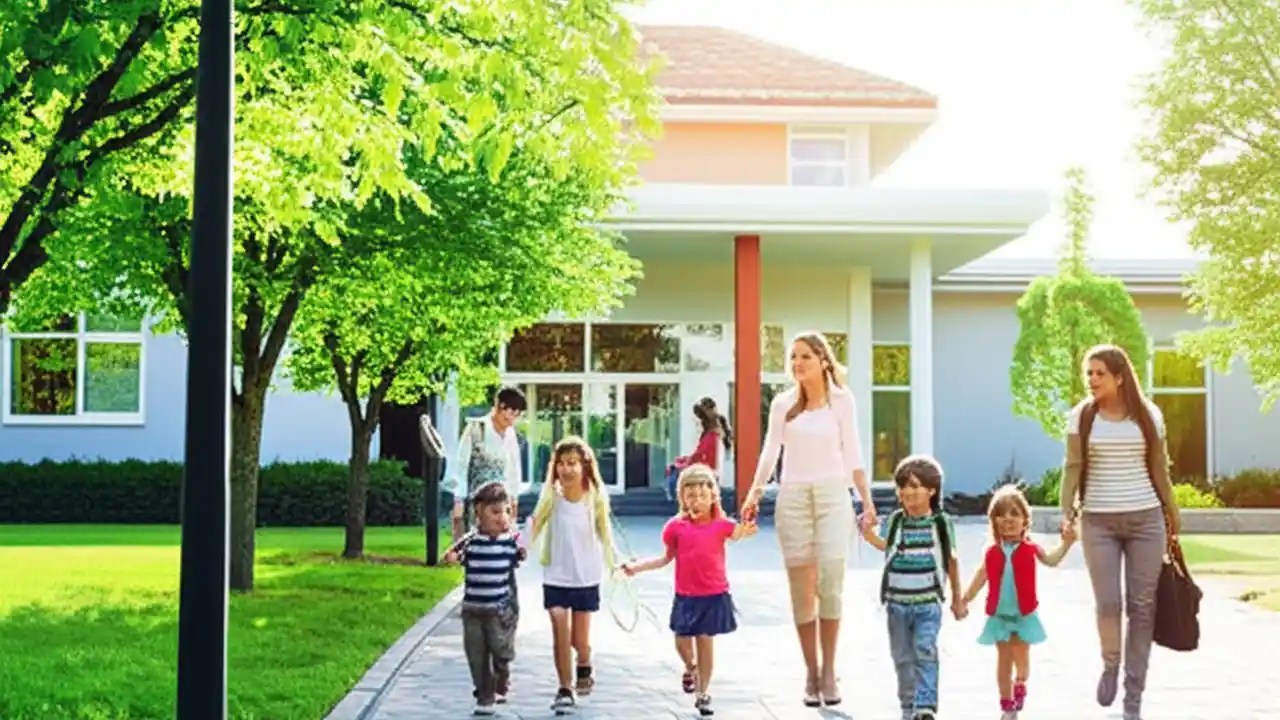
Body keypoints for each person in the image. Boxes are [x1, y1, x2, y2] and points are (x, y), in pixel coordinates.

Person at [739, 331, 876, 707]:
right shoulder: (783, 404)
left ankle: (830, 670)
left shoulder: (841, 401)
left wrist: (866, 501)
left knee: (829, 584)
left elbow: (854, 453)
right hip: (793, 499)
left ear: (824, 361)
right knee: (802, 590)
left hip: (833, 497)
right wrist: (754, 492)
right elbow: (770, 452)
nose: (797, 364)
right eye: (793, 357)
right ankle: (811, 671)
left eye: (805, 357)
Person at [1060, 344, 1180, 720]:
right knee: (1109, 603)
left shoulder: (1148, 415)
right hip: (1098, 521)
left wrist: (1172, 512)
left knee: (1143, 608)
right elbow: (1072, 467)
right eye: (1088, 373)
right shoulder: (1081, 418)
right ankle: (1110, 664)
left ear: (1119, 377)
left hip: (1146, 519)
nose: (1092, 380)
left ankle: (1134, 694)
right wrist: (1067, 512)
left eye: (1099, 373)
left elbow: (1159, 469)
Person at [622, 463, 758, 717]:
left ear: (712, 497)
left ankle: (703, 693)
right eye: (690, 495)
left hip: (714, 594)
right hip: (686, 596)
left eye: (702, 495)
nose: (696, 501)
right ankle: (690, 666)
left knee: (705, 640)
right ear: (682, 497)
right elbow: (665, 558)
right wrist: (636, 567)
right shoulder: (675, 527)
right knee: (682, 640)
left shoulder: (721, 525)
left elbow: (741, 531)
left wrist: (749, 520)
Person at [960, 485, 1076, 720]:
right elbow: (980, 578)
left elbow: (1051, 560)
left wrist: (1067, 543)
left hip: (1024, 616)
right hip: (1000, 616)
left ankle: (1020, 682)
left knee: (1021, 658)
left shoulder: (1030, 548)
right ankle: (1006, 704)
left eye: (1015, 513)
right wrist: (964, 599)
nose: (1008, 519)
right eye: (1002, 514)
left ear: (1025, 521)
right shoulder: (992, 552)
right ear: (994, 521)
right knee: (1003, 660)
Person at [861, 455, 963, 720]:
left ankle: (925, 705)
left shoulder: (939, 523)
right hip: (897, 603)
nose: (907, 492)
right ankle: (909, 706)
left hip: (928, 602)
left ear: (931, 490)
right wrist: (869, 534)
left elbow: (952, 560)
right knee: (902, 657)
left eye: (914, 486)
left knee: (925, 650)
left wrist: (958, 598)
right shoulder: (896, 521)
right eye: (902, 486)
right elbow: (887, 546)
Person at [528, 436, 617, 715]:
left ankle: (585, 659)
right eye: (561, 464)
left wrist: (616, 564)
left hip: (586, 576)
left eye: (573, 464)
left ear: (584, 466)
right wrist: (516, 548)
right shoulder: (551, 497)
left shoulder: (595, 498)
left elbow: (606, 534)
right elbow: (535, 524)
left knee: (578, 640)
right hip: (556, 574)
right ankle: (564, 688)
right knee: (559, 630)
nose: (566, 470)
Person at [442, 481, 526, 716]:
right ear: (479, 512)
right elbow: (451, 554)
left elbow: (524, 552)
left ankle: (502, 674)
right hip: (472, 610)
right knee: (476, 654)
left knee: (501, 651)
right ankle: (485, 695)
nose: (502, 517)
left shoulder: (510, 543)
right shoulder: (470, 541)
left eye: (506, 511)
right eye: (495, 512)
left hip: (498, 611)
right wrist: (450, 557)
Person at [444, 386, 527, 617]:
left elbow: (513, 470)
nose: (511, 418)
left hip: (502, 502)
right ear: (499, 407)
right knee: (476, 546)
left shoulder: (510, 435)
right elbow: (460, 467)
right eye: (509, 411)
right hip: (477, 500)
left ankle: (503, 595)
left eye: (516, 413)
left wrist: (514, 501)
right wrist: (458, 499)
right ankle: (473, 593)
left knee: (504, 546)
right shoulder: (476, 428)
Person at [665, 397, 734, 501]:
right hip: (706, 470)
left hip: (706, 472)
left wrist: (682, 465)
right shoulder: (714, 435)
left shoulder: (712, 436)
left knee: (674, 474)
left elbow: (703, 459)